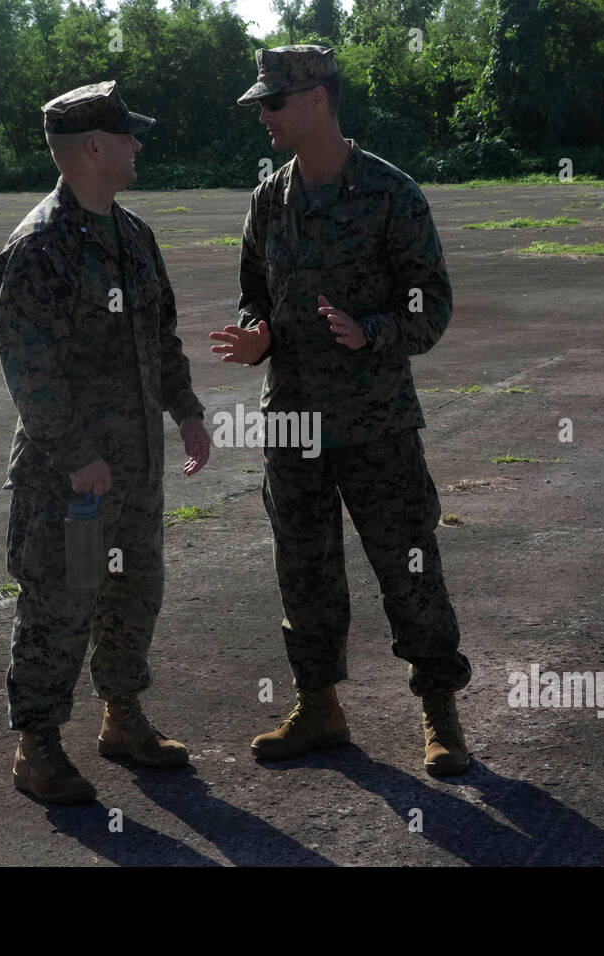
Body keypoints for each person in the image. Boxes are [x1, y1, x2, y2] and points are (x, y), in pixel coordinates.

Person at [210, 46, 472, 776]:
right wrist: (256, 334)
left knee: (408, 565)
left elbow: (432, 302)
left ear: (318, 99)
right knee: (304, 568)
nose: (263, 117)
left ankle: (440, 712)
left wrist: (376, 331)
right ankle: (319, 707)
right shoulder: (267, 201)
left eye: (274, 103)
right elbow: (253, 292)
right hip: (291, 423)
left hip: (376, 421)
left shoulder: (391, 193)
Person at [0, 80, 211, 804]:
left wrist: (185, 410)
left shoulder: (134, 235)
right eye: (128, 135)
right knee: (60, 605)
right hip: (72, 481)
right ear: (92, 147)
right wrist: (77, 456)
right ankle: (38, 745)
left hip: (136, 469)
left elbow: (162, 335)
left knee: (132, 593)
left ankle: (123, 717)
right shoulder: (38, 248)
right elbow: (30, 370)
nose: (139, 144)